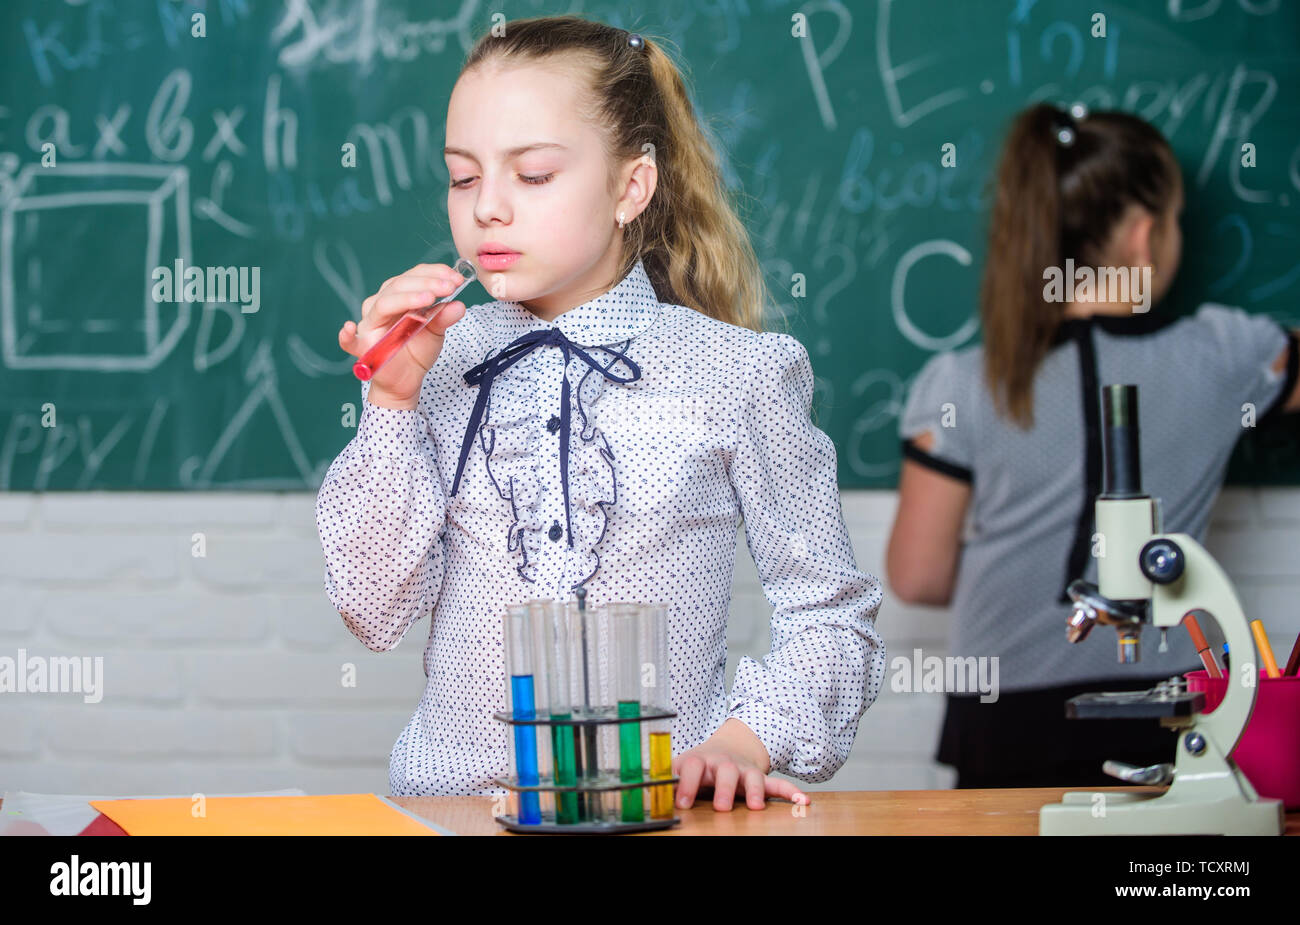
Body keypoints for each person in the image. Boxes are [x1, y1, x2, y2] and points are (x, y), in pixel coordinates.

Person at [316, 15, 885, 810]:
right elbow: (373, 610)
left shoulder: (740, 372)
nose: (488, 209)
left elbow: (832, 614)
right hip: (458, 815)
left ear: (630, 188)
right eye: (463, 177)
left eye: (534, 175)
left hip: (660, 815)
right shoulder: (432, 362)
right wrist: (390, 402)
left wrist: (744, 738)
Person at [886, 102, 1300, 789]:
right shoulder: (1228, 356)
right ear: (1145, 236)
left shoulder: (960, 382)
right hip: (1172, 704)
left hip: (1002, 712)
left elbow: (917, 574)